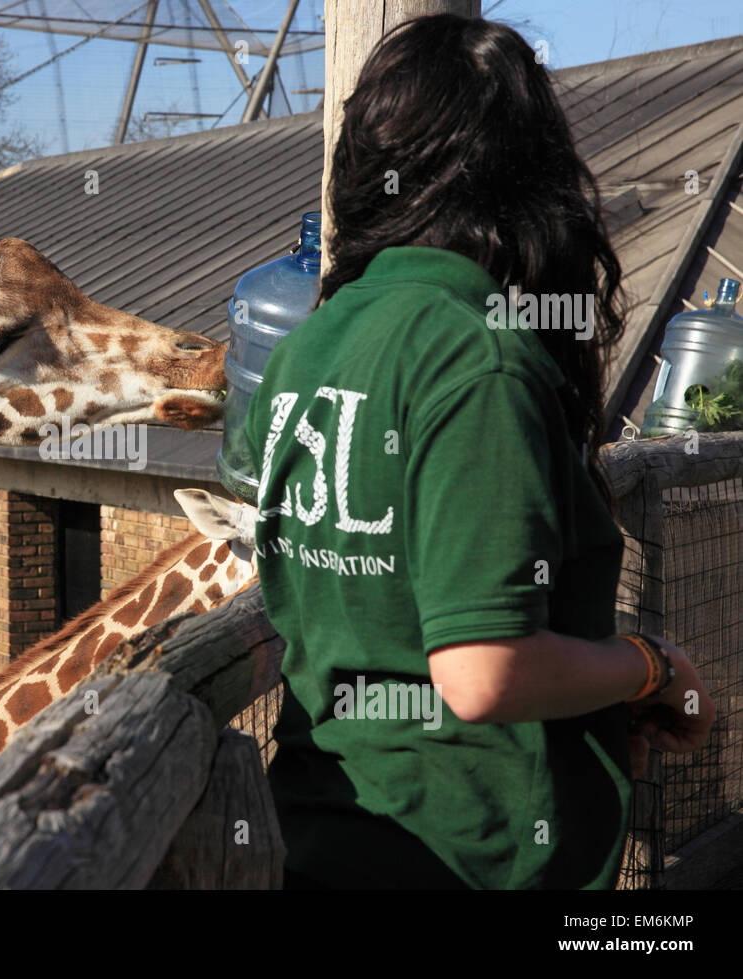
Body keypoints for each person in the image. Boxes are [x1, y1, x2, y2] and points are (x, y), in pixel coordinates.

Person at [243, 13, 716, 890]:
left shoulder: (313, 342)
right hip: (470, 858)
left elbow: (384, 609)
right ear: (526, 177)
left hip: (323, 833)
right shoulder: (478, 358)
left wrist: (599, 700)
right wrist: (650, 665)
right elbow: (482, 670)